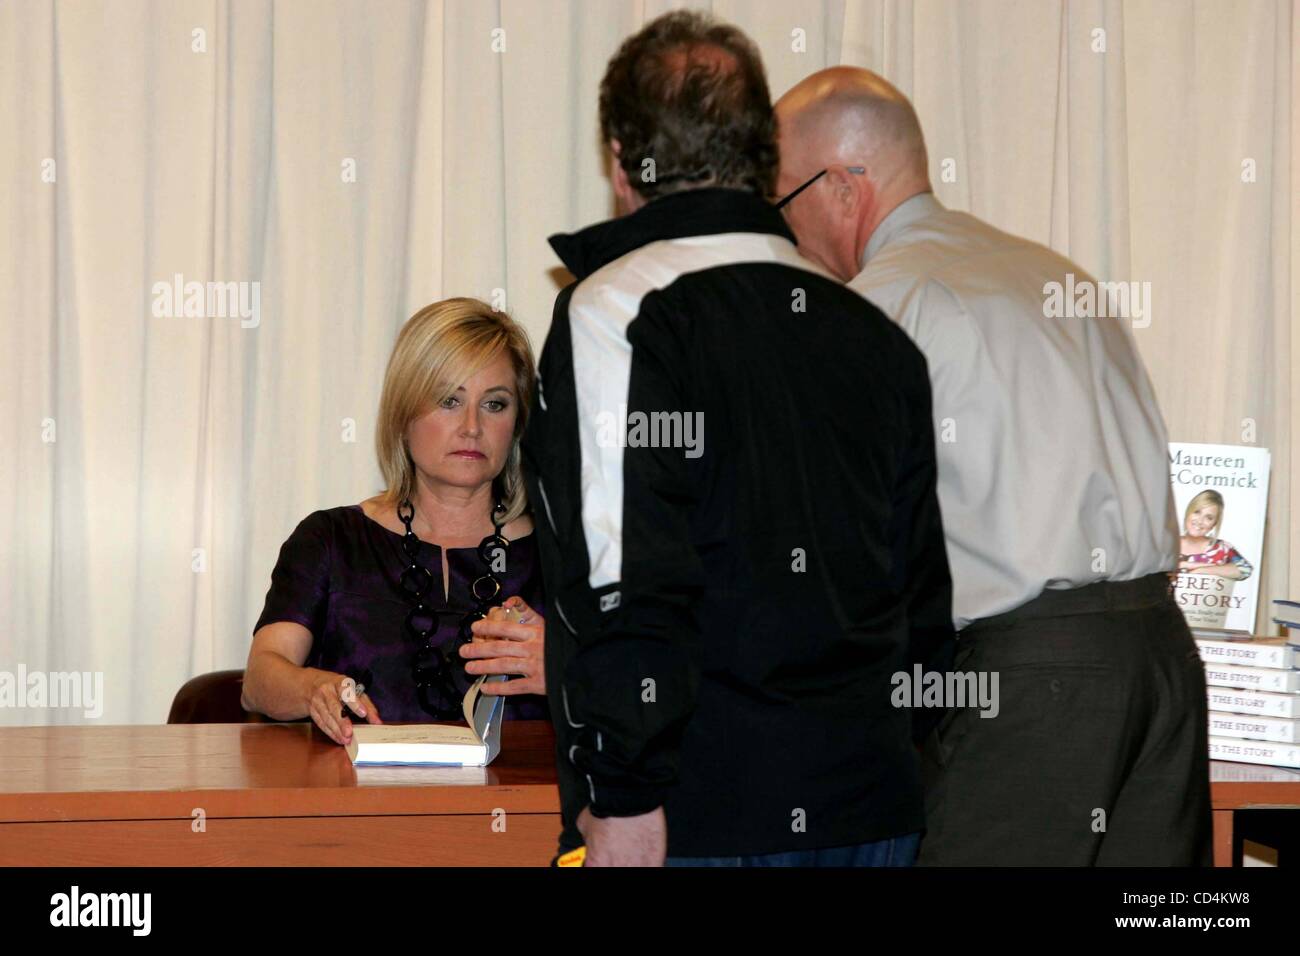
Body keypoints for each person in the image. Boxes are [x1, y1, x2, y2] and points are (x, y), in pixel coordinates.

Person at [522, 12, 953, 867]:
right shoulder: (875, 335)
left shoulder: (615, 310)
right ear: (764, 155)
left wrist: (623, 794)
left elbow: (624, 577)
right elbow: (924, 604)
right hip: (873, 806)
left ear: (619, 162)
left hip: (698, 818)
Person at [774, 67, 1211, 865]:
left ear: (840, 186)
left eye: (782, 201)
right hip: (1163, 660)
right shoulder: (1057, 274)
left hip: (1031, 681)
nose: (786, 229)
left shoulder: (883, 306)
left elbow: (845, 560)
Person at [242, 298, 549, 745]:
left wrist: (568, 668)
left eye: (495, 404)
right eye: (449, 400)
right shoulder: (331, 540)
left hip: (525, 809)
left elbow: (648, 688)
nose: (471, 426)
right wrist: (311, 690)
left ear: (517, 424)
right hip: (359, 807)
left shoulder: (564, 553)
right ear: (404, 414)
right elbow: (259, 679)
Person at [1178, 490, 1253, 579]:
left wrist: (1203, 571)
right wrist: (1186, 565)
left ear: (1214, 524)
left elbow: (1245, 570)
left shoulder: (1221, 549)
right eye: (1197, 512)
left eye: (1209, 518)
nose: (1200, 521)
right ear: (1188, 512)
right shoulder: (1165, 544)